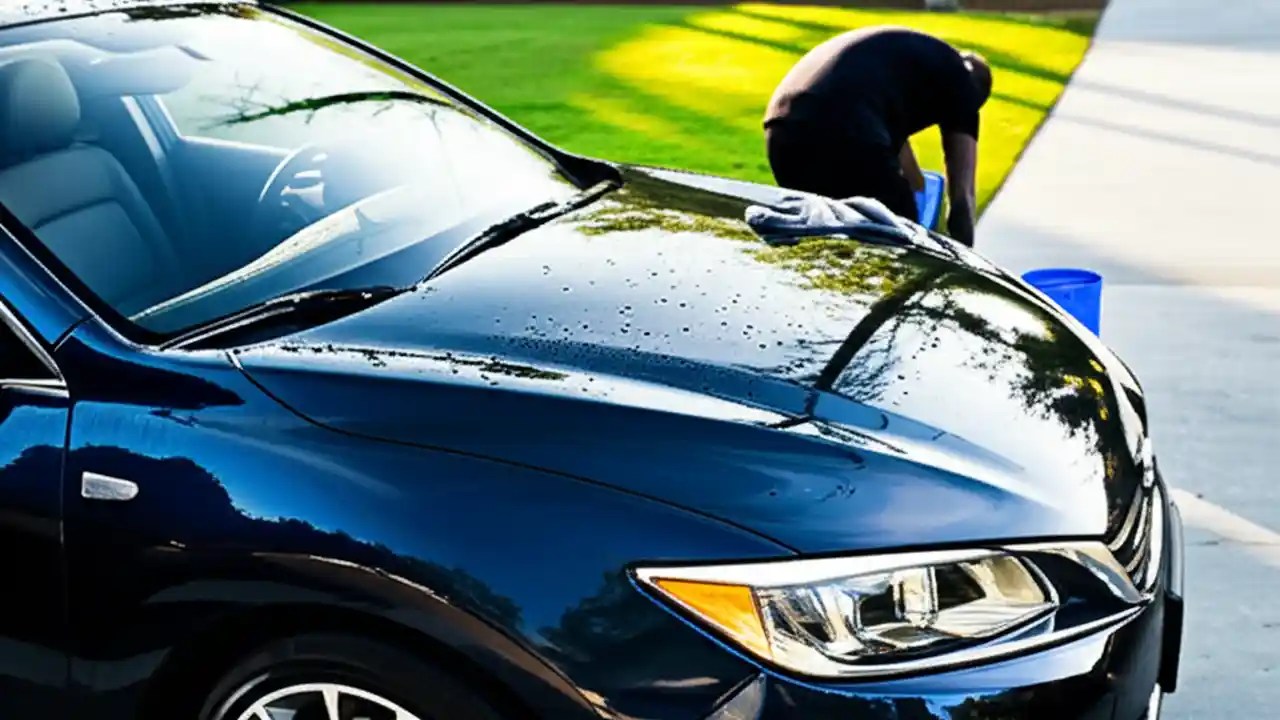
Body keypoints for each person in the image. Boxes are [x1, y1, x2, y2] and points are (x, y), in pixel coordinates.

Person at [764, 27, 993, 246]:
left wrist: (913, 192)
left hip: (782, 127)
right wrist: (964, 258)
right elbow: (962, 198)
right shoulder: (962, 83)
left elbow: (909, 172)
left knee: (816, 237)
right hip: (845, 128)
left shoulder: (909, 61)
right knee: (899, 238)